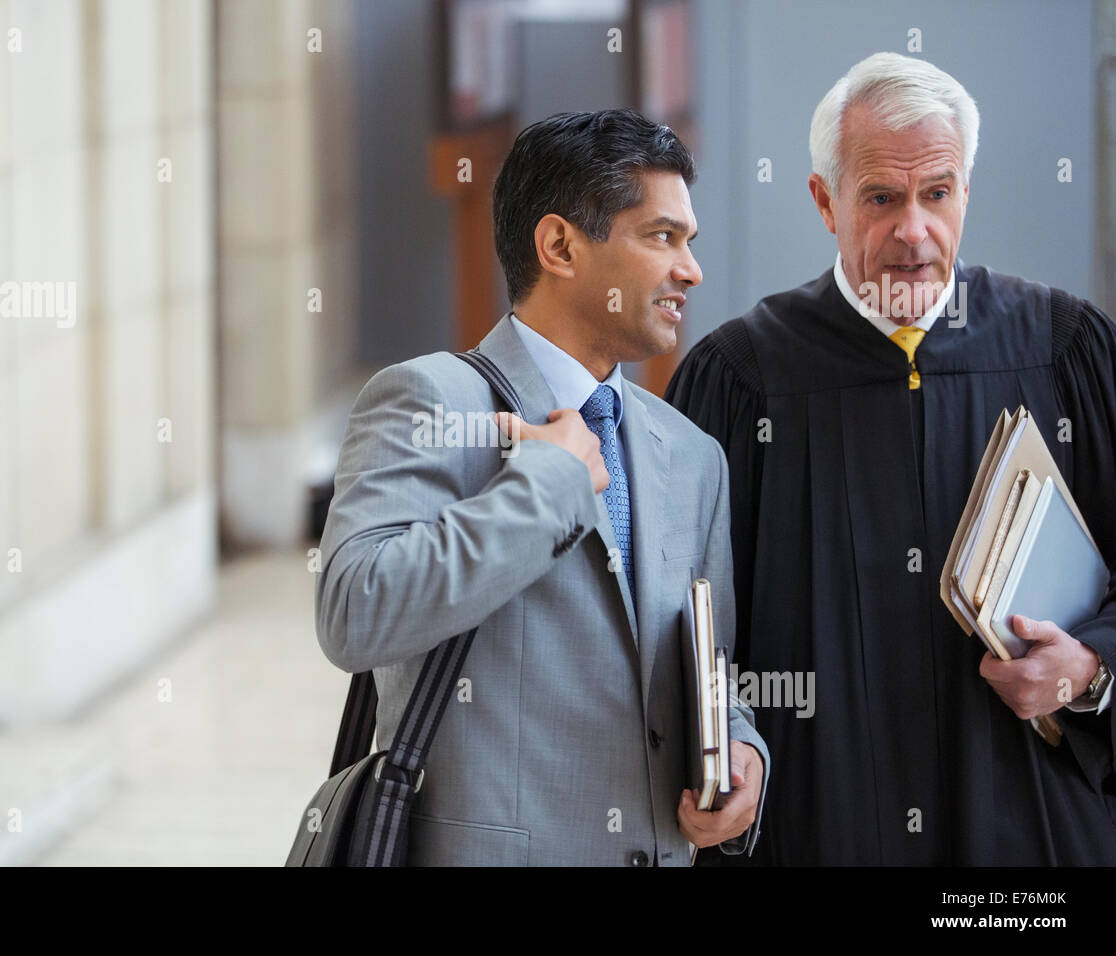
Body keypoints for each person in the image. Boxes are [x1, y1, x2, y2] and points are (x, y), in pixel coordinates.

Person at [668, 52, 1116, 865]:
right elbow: (683, 624)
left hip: (1030, 831)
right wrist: (716, 755)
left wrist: (1091, 667)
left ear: (965, 192)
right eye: (881, 197)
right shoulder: (741, 378)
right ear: (824, 201)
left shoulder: (1065, 351)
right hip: (819, 822)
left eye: (937, 193)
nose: (915, 231)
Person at [316, 109, 768, 866]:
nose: (689, 269)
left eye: (688, 241)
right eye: (661, 237)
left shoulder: (692, 455)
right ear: (559, 245)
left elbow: (707, 672)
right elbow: (353, 613)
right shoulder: (428, 401)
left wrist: (743, 751)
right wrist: (550, 484)